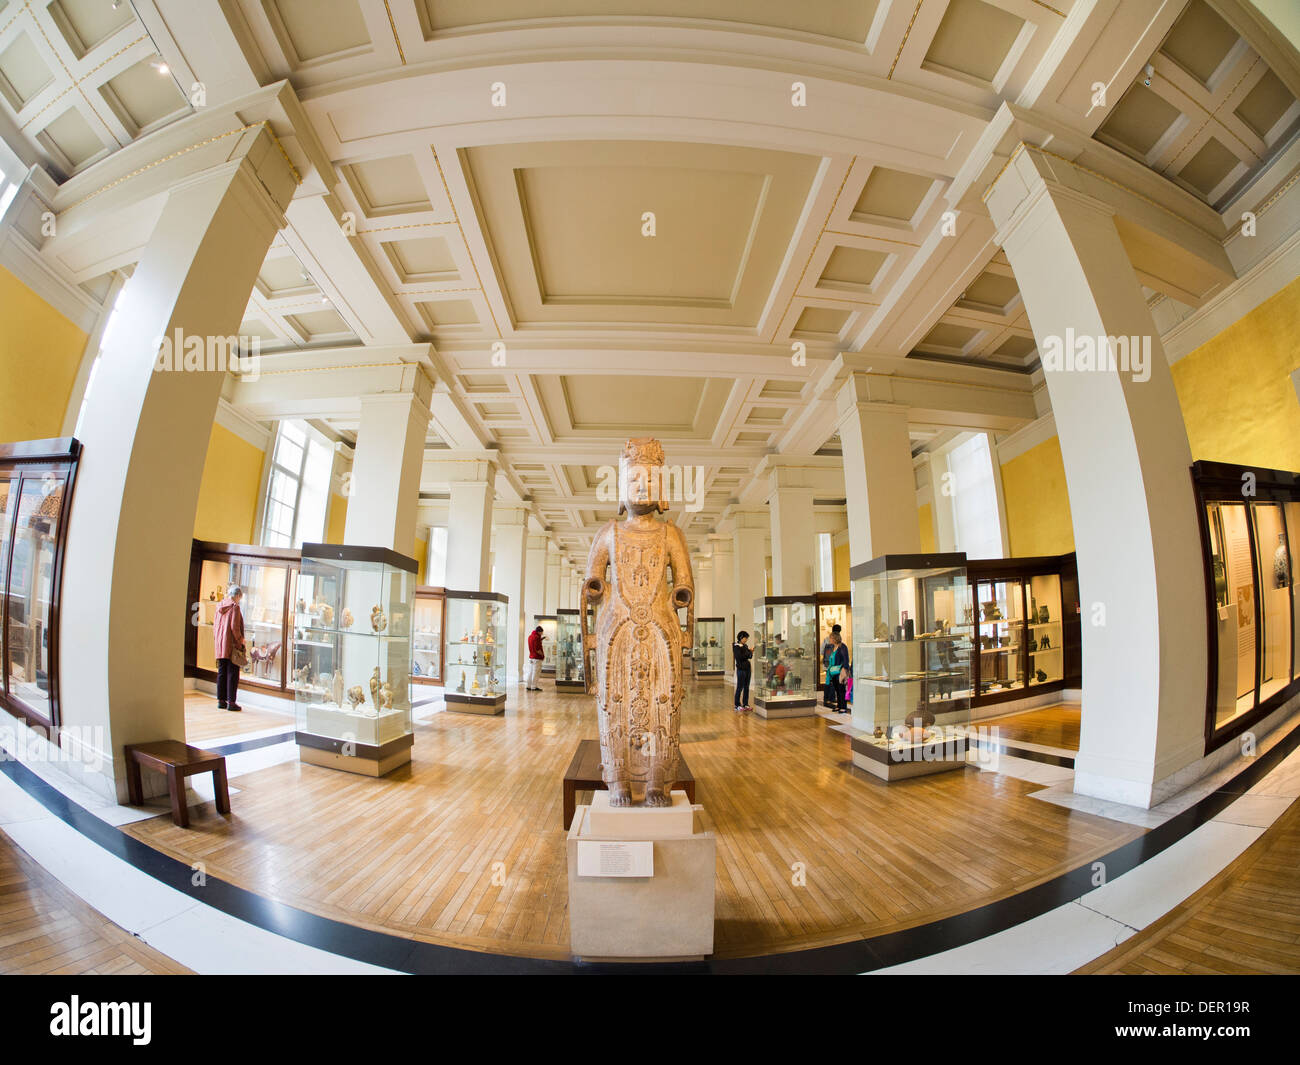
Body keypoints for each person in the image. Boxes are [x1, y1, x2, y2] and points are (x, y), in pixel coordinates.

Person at [213, 584, 246, 713]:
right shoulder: (235, 607)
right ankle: (231, 702)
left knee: (222, 672)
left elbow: (215, 626)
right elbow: (234, 628)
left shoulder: (219, 606)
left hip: (220, 644)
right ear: (237, 596)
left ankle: (221, 701)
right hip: (231, 645)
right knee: (233, 673)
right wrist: (240, 641)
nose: (239, 600)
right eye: (240, 597)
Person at [825, 631, 849, 713]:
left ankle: (843, 707)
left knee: (842, 690)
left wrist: (845, 669)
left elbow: (846, 659)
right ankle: (839, 705)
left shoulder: (842, 647)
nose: (829, 639)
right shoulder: (833, 647)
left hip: (840, 671)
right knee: (837, 690)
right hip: (833, 672)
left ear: (835, 638)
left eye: (831, 638)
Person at [821, 622, 842, 707]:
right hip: (835, 666)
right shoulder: (838, 641)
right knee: (834, 682)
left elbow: (821, 651)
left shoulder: (826, 639)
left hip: (827, 664)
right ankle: (832, 698)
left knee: (827, 681)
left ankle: (826, 698)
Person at [733, 630, 753, 713]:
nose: (746, 640)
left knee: (746, 687)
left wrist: (750, 652)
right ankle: (737, 705)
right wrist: (748, 652)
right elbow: (740, 657)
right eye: (745, 638)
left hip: (747, 668)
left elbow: (750, 656)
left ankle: (745, 704)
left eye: (747, 638)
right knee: (740, 687)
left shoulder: (745, 646)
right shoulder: (736, 646)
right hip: (741, 669)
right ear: (741, 637)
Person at [525, 624, 546, 690]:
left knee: (530, 672)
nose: (542, 634)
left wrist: (541, 639)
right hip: (537, 658)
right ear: (539, 631)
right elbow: (537, 649)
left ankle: (528, 686)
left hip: (531, 657)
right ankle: (534, 686)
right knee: (536, 672)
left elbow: (534, 644)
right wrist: (542, 655)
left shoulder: (530, 636)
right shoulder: (537, 637)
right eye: (542, 632)